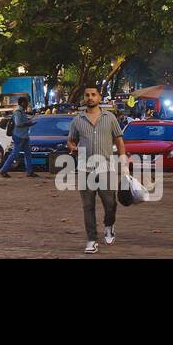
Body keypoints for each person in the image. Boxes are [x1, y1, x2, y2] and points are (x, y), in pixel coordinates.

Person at [67, 86, 126, 254]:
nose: (90, 97)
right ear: (84, 98)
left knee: (110, 203)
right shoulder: (78, 120)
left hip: (106, 168)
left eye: (94, 95)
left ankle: (109, 225)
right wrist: (74, 148)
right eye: (87, 95)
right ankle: (92, 240)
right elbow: (70, 140)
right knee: (88, 206)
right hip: (85, 169)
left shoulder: (110, 118)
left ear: (99, 97)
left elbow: (119, 140)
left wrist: (123, 159)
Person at [0, 96, 37, 178]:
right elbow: (18, 123)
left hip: (23, 135)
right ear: (23, 103)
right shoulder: (18, 111)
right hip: (19, 136)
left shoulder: (21, 111)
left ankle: (29, 171)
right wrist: (29, 124)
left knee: (28, 154)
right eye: (26, 102)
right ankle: (3, 170)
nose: (27, 104)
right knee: (14, 154)